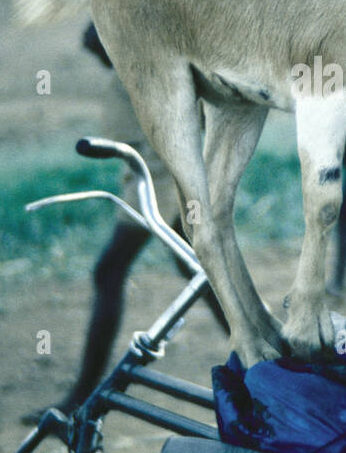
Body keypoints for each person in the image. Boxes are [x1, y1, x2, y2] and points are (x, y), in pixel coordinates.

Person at [23, 23, 227, 422]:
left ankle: (81, 395)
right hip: (152, 175)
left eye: (102, 47)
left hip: (161, 177)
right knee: (200, 271)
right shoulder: (137, 63)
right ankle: (266, 358)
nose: (96, 56)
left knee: (111, 270)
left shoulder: (146, 59)